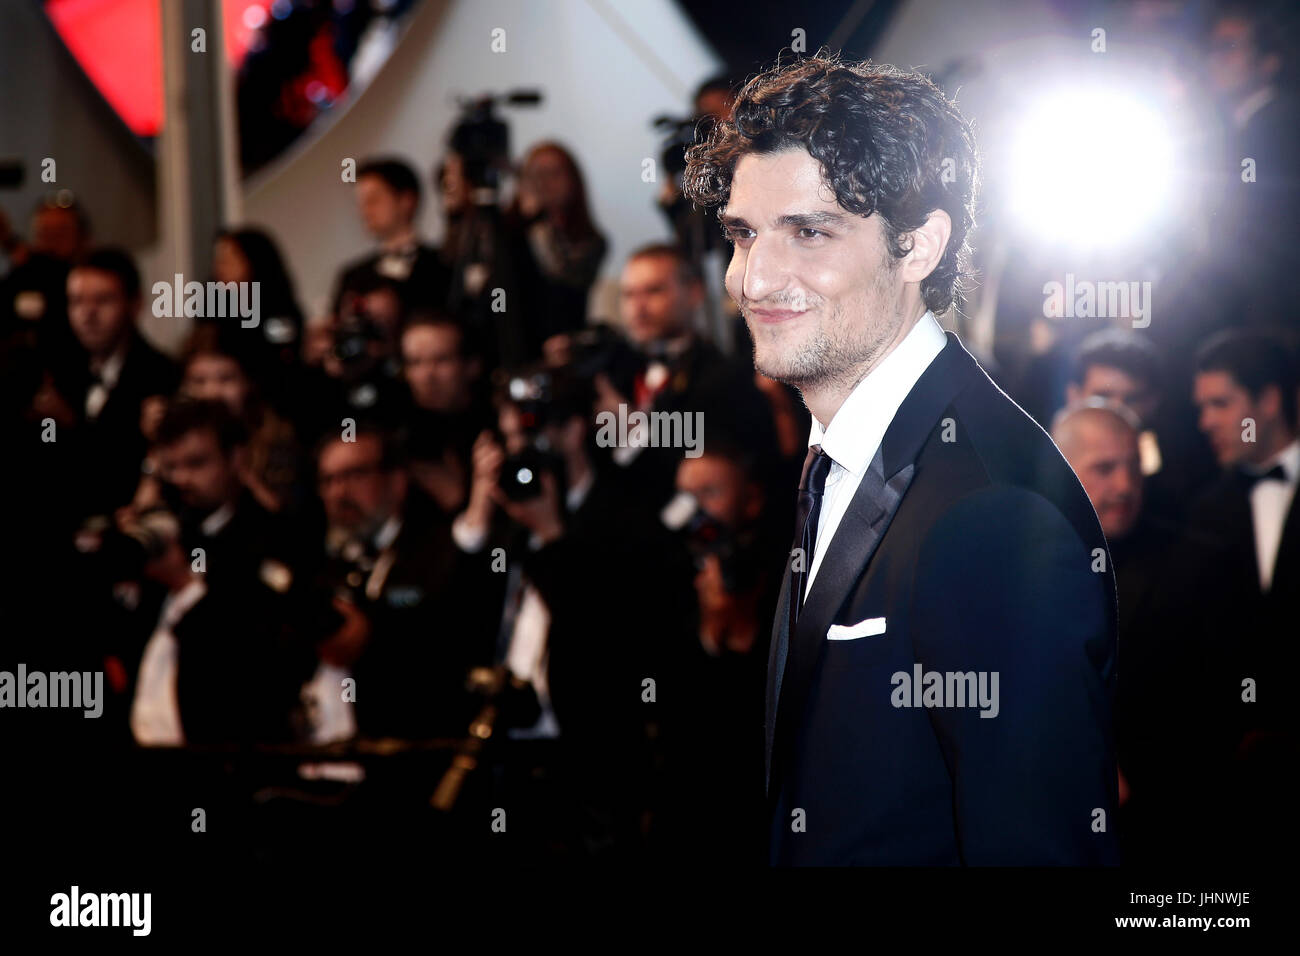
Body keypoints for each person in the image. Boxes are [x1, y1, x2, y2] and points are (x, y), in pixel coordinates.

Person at [684, 54, 1120, 865]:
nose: (755, 278)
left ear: (918, 247)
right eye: (743, 235)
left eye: (808, 232)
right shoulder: (842, 458)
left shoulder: (990, 514)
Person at [1188, 328, 1299, 865]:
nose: (1207, 421)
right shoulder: (1204, 509)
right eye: (1202, 407)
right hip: (1234, 782)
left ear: (1269, 400)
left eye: (1221, 404)